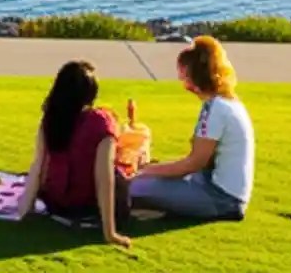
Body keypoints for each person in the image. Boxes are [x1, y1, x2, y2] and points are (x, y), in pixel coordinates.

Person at [131, 36, 254, 220]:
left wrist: (145, 171)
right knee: (149, 181)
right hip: (211, 186)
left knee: (133, 185)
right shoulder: (225, 103)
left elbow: (194, 163)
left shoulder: (217, 108)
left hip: (221, 198)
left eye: (184, 74)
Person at [15, 61, 132, 248]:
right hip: (86, 205)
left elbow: (38, 165)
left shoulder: (51, 119)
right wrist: (110, 233)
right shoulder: (101, 123)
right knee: (120, 178)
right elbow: (105, 179)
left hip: (57, 203)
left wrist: (24, 208)